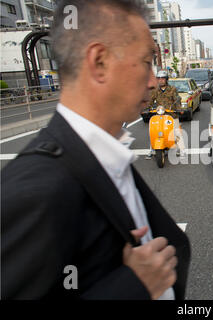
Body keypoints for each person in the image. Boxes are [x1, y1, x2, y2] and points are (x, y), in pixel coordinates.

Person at [1, 0, 190, 299]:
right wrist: (134, 286)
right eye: (145, 61)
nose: (153, 81)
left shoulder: (108, 154)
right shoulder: (34, 190)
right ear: (99, 62)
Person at [146, 70, 186, 159]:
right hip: (159, 115)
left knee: (177, 132)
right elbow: (150, 101)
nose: (160, 80)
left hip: (172, 114)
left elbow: (177, 100)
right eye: (159, 78)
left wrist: (179, 109)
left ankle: (182, 150)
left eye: (163, 78)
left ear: (166, 79)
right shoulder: (155, 90)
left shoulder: (172, 89)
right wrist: (146, 108)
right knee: (153, 131)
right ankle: (152, 149)